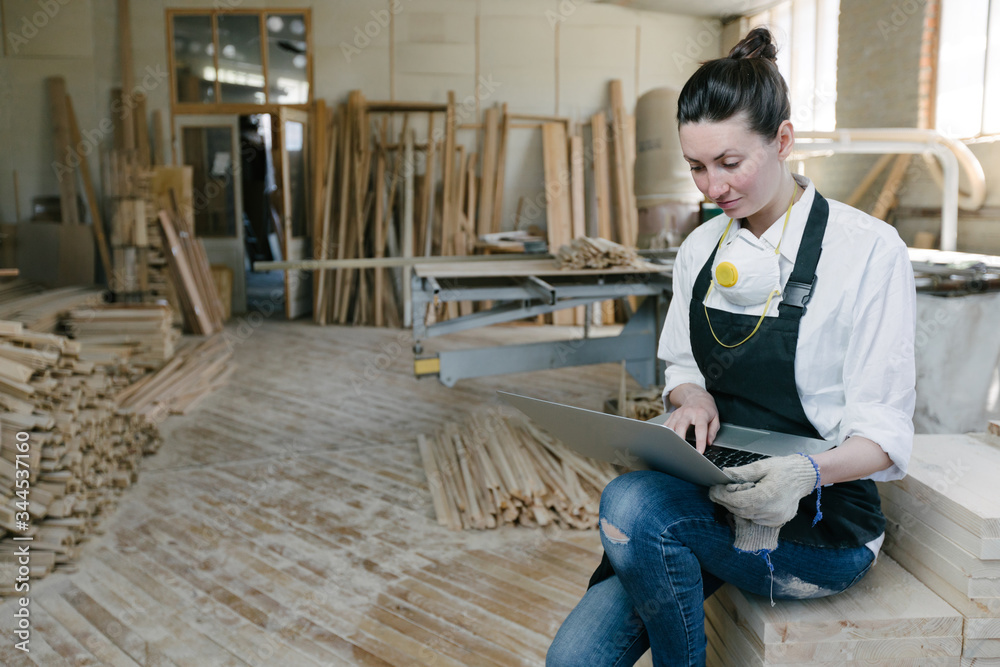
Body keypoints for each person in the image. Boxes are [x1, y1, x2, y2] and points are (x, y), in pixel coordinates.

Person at [546, 27, 916, 667]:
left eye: (730, 163)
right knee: (572, 662)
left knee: (631, 502)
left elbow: (885, 431)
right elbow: (684, 361)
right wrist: (688, 397)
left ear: (783, 140)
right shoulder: (699, 248)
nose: (711, 189)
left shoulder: (868, 251)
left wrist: (804, 473)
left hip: (821, 519)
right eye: (695, 166)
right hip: (711, 487)